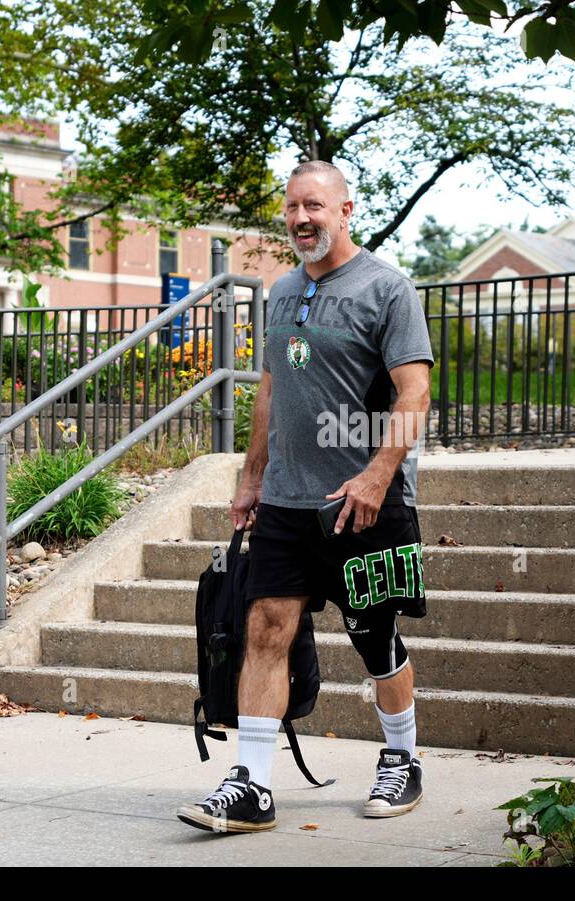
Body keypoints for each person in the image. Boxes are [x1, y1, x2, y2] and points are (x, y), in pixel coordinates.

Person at [176, 160, 434, 833]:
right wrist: (251, 476)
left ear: (346, 210)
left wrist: (379, 475)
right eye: (291, 207)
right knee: (266, 629)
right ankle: (252, 784)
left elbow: (414, 392)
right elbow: (270, 389)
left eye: (314, 206)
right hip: (288, 501)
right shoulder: (283, 290)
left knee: (373, 636)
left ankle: (402, 758)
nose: (300, 219)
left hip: (360, 499)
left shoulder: (388, 288)